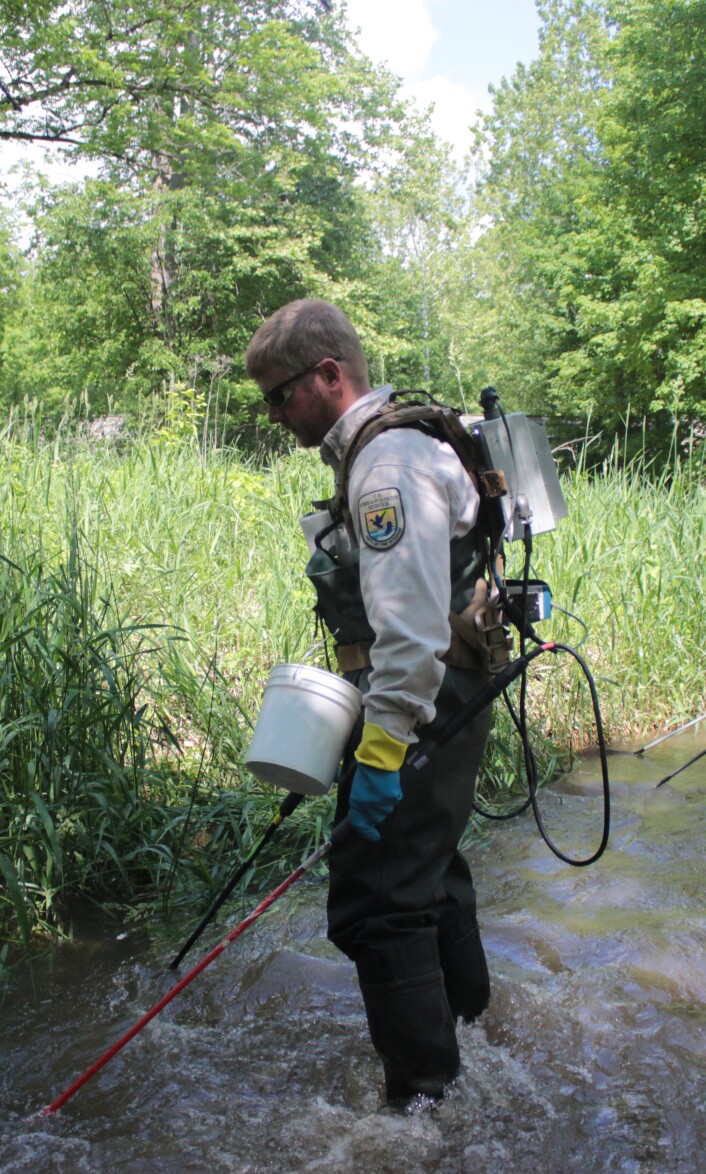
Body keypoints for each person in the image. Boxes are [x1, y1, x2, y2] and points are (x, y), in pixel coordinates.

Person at [246, 299, 502, 1109]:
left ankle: (424, 1103)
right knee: (429, 870)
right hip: (448, 693)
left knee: (377, 903)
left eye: (280, 394)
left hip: (425, 700)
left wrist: (383, 752)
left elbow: (410, 631)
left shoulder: (386, 463)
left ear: (329, 375)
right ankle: (473, 1031)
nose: (274, 414)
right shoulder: (390, 444)